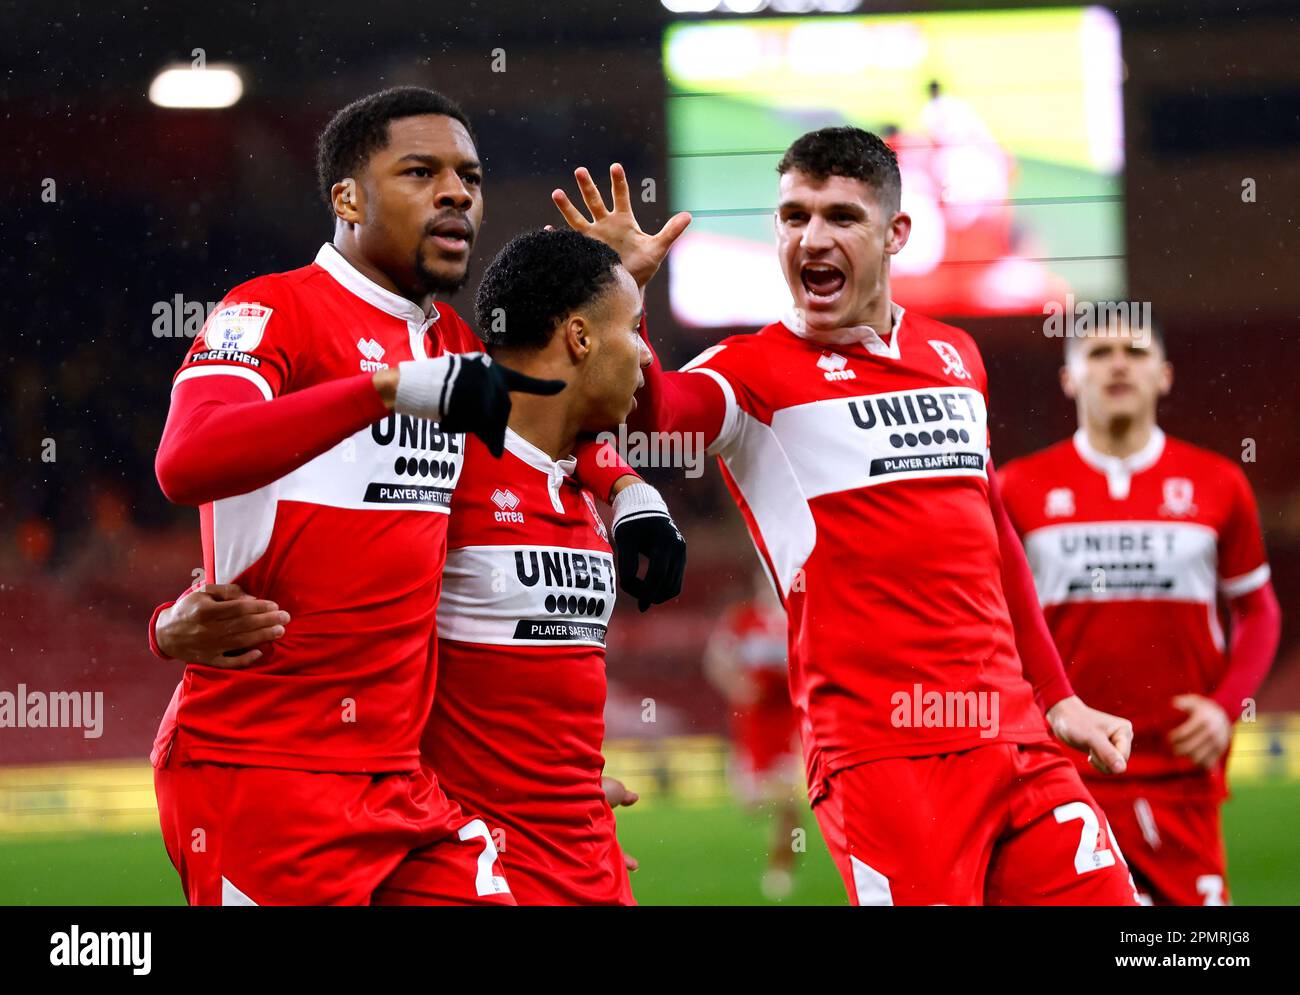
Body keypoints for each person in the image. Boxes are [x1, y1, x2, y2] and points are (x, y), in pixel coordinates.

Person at [553, 127, 1139, 905]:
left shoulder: (956, 355)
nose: (811, 238)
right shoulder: (752, 371)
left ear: (896, 232)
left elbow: (993, 536)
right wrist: (625, 304)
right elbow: (656, 407)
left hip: (1018, 738)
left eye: (840, 217)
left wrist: (1059, 695)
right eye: (794, 217)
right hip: (883, 758)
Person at [148, 87, 683, 905]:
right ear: (347, 197)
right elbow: (186, 461)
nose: (457, 192)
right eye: (421, 171)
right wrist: (384, 389)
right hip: (265, 773)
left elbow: (571, 405)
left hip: (402, 787)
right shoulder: (268, 310)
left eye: (468, 176)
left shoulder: (453, 345)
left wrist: (625, 481)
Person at [998, 314, 1282, 905]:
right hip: (1061, 772)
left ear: (1165, 374)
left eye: (1134, 350)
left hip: (1182, 777)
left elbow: (1259, 612)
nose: (1118, 363)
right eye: (1099, 352)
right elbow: (994, 626)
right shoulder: (1016, 488)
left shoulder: (1219, 483)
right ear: (1070, 378)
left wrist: (1225, 708)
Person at [703, 569, 801, 901]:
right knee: (752, 802)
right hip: (752, 726)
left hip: (788, 724)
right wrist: (736, 685)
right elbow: (716, 658)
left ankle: (780, 871)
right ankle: (776, 798)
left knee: (788, 803)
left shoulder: (797, 617)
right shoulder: (743, 619)